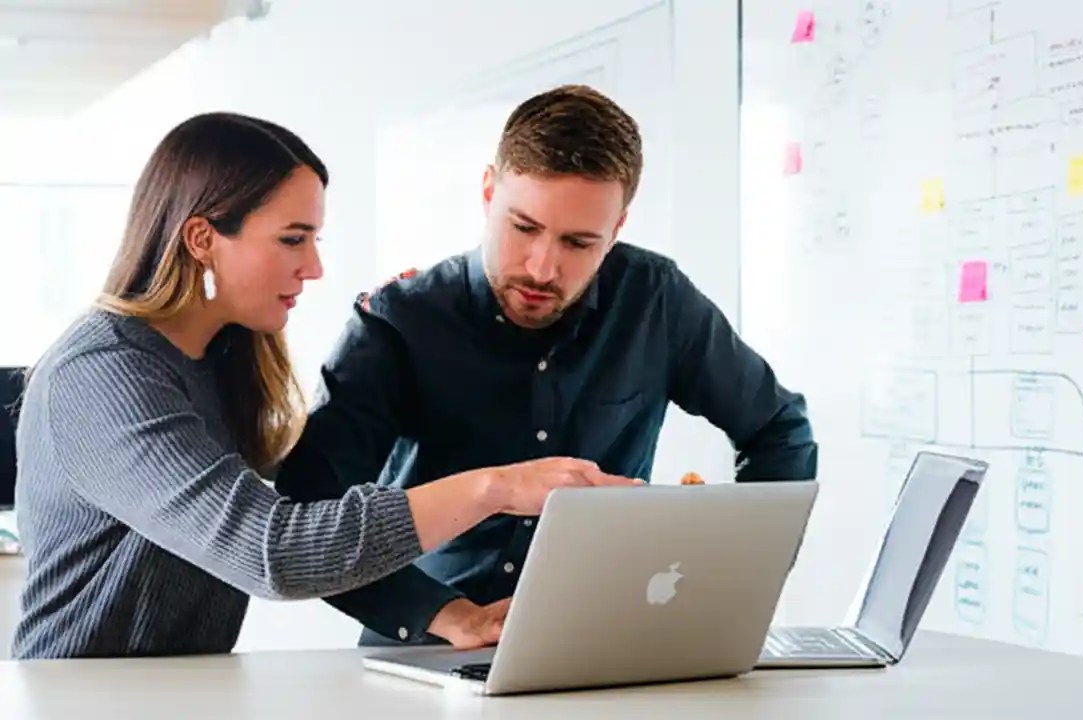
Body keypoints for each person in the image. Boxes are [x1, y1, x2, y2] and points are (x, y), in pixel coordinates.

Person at [10, 112, 637, 660]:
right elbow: (273, 550)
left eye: (314, 238)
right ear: (203, 239)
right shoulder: (101, 374)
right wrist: (497, 487)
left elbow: (306, 525)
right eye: (292, 239)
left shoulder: (220, 359)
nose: (313, 267)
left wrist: (448, 611)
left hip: (183, 694)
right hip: (78, 698)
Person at [275, 84, 818, 650]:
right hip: (428, 650)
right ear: (489, 192)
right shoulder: (396, 322)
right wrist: (442, 611)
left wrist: (734, 575)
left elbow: (778, 428)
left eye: (579, 243)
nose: (542, 268)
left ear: (618, 228)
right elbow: (309, 517)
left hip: (604, 643)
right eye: (524, 227)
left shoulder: (655, 299)